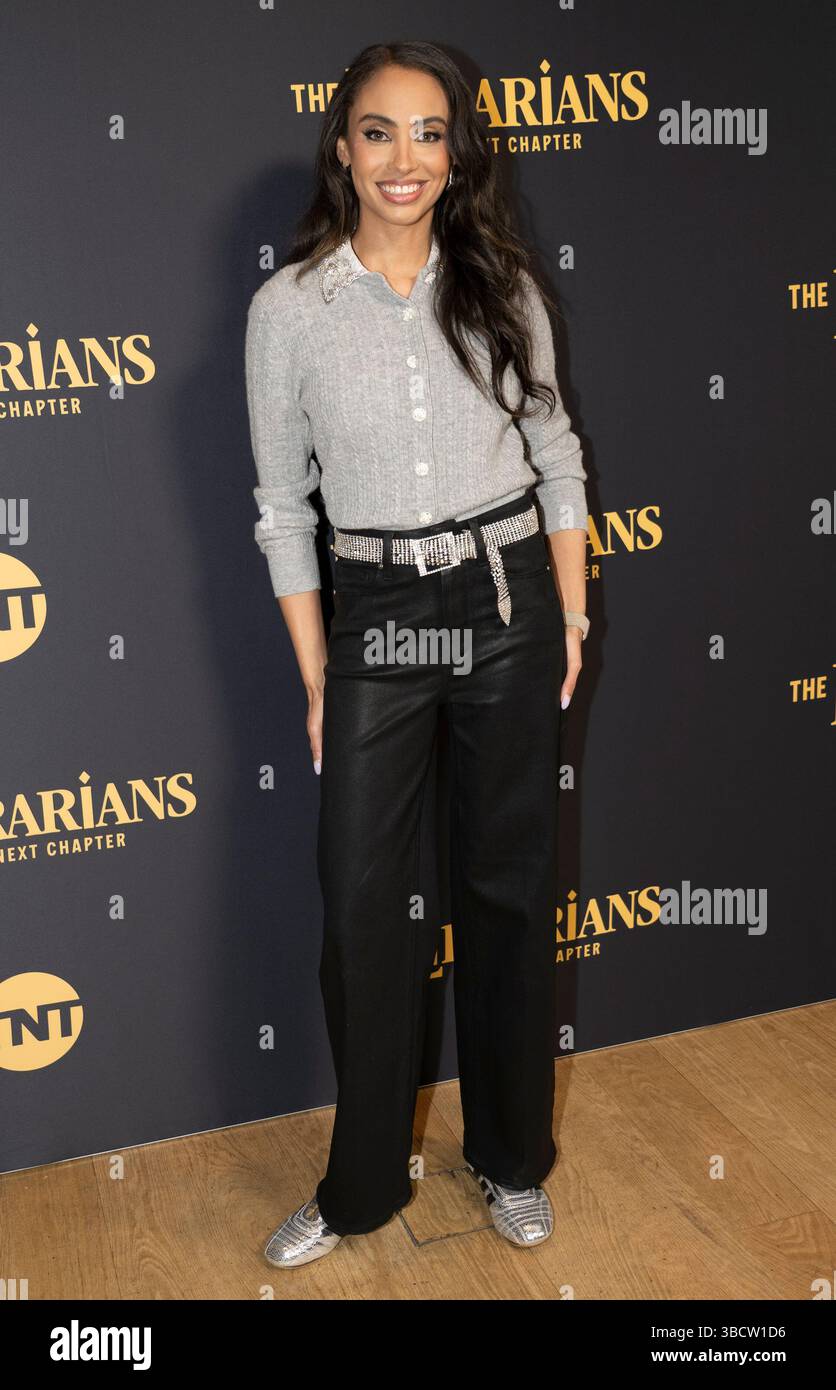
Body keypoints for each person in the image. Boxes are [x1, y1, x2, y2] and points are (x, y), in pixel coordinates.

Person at [244, 40, 590, 1269]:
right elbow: (283, 509)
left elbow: (555, 460)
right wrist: (317, 674)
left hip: (506, 601)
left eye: (429, 133)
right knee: (361, 913)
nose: (405, 159)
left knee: (505, 892)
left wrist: (572, 615)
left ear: (457, 153)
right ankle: (356, 1188)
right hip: (377, 612)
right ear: (341, 147)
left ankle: (508, 1158)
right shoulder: (288, 310)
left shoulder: (500, 281)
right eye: (378, 132)